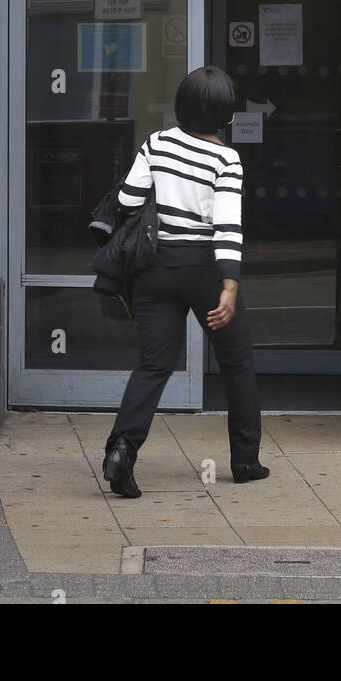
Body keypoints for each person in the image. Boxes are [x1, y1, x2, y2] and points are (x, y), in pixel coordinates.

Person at [102, 65, 270, 498]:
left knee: (153, 365)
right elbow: (227, 227)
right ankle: (245, 461)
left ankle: (122, 448)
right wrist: (229, 286)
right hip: (205, 273)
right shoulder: (226, 159)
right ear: (226, 115)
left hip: (154, 270)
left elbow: (127, 200)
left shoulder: (156, 143)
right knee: (237, 363)